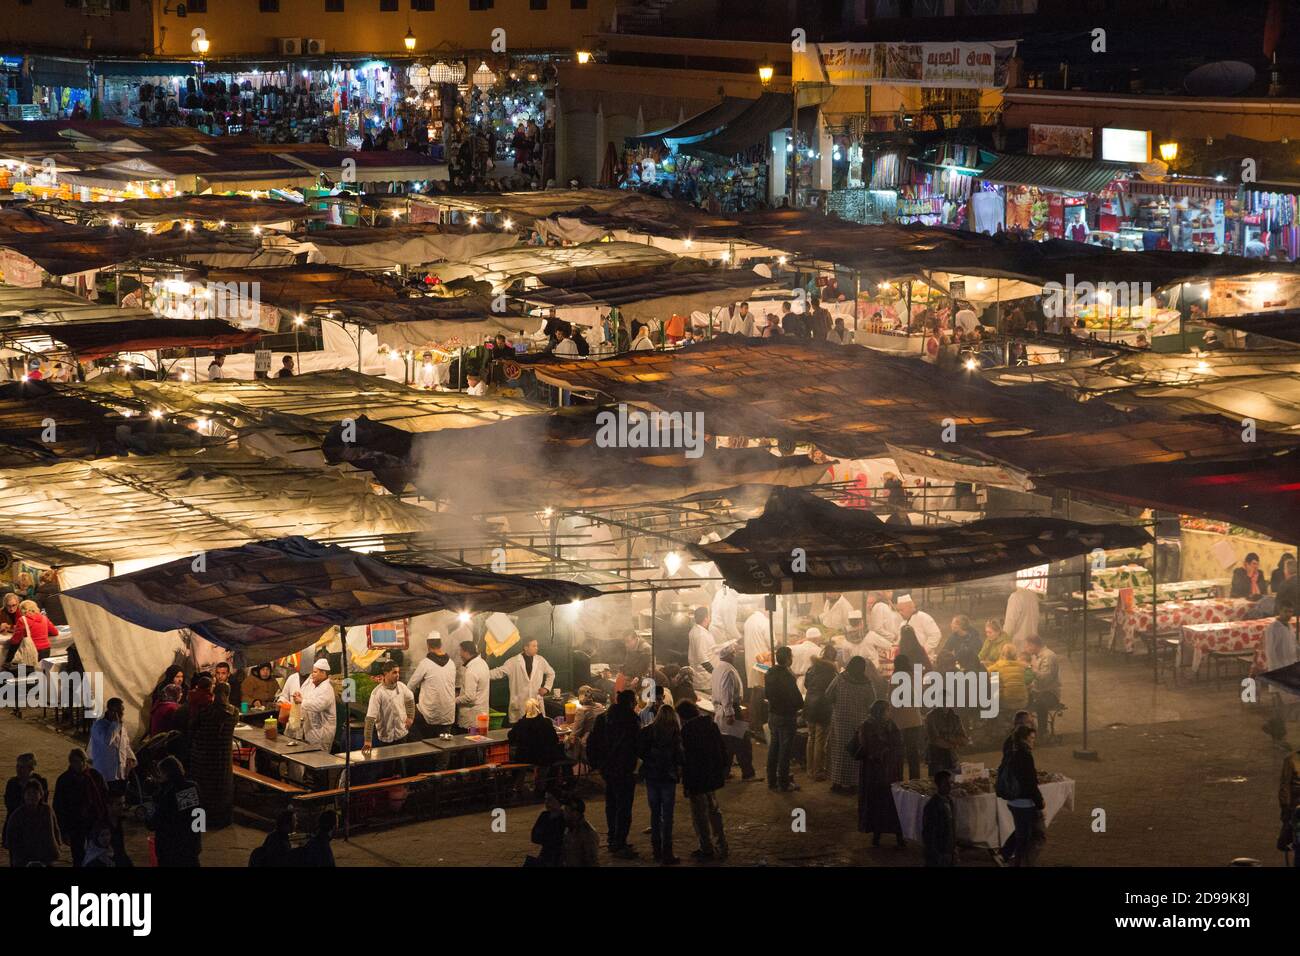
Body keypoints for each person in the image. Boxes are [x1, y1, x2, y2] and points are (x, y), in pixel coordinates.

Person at [585, 688, 641, 858]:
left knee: (611, 803)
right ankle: (620, 841)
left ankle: (612, 838)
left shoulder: (604, 718)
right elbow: (636, 746)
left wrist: (597, 764)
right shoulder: (631, 720)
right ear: (631, 702)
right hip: (624, 770)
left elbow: (591, 743)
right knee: (624, 807)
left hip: (607, 769)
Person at [677, 699, 728, 860]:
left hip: (697, 779)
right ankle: (722, 843)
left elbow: (687, 760)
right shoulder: (711, 725)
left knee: (699, 815)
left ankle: (706, 848)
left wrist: (686, 782)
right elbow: (722, 749)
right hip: (712, 776)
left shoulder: (687, 732)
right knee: (714, 810)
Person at [853, 699, 905, 846]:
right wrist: (884, 751)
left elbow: (898, 743)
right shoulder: (867, 726)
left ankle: (898, 836)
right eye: (887, 710)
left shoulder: (890, 724)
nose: (889, 713)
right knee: (876, 803)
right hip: (875, 773)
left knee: (893, 803)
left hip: (891, 771)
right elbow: (869, 747)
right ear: (880, 711)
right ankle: (876, 835)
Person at [188, 682, 240, 828]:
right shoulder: (234, 712)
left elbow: (192, 728)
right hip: (223, 756)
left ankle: (201, 822)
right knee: (222, 787)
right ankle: (221, 821)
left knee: (205, 788)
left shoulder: (205, 711)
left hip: (205, 755)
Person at [638, 703, 684, 864]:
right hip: (668, 777)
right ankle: (667, 851)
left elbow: (640, 751)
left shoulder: (648, 731)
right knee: (668, 815)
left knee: (655, 813)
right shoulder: (674, 732)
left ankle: (656, 850)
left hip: (652, 776)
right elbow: (679, 756)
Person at [826, 656, 879, 794]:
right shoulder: (867, 683)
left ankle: (836, 782)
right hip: (858, 722)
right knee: (855, 751)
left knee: (839, 751)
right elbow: (873, 703)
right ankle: (853, 784)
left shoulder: (840, 679)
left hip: (839, 721)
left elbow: (828, 695)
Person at [52, 748, 107, 867]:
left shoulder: (95, 776)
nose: (79, 765)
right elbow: (59, 806)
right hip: (75, 824)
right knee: (78, 856)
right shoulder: (64, 780)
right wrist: (64, 830)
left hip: (94, 821)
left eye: (81, 761)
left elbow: (104, 797)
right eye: (75, 762)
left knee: (96, 853)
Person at [710, 643, 755, 781]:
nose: (735, 655)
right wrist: (730, 713)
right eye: (734, 654)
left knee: (727, 744)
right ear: (729, 655)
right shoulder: (728, 671)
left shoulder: (718, 668)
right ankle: (748, 774)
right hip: (730, 710)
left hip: (721, 710)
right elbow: (726, 693)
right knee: (743, 743)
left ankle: (724, 773)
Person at [1002, 724, 1046, 866]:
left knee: (1022, 832)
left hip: (1013, 801)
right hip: (1024, 803)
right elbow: (1030, 784)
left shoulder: (1011, 753)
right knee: (1032, 836)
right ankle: (1019, 863)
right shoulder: (1025, 756)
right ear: (1024, 739)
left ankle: (1005, 855)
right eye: (1031, 738)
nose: (1034, 741)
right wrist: (1040, 803)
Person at [150, 756, 202, 867]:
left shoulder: (169, 794)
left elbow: (155, 822)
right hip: (190, 846)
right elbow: (193, 815)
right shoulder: (191, 787)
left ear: (166, 773)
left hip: (171, 849)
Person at [764, 645, 804, 792]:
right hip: (786, 717)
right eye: (791, 657)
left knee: (773, 749)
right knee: (785, 752)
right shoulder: (787, 676)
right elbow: (797, 699)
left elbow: (767, 694)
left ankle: (772, 781)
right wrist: (799, 706)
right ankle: (784, 783)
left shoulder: (769, 672)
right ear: (788, 659)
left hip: (773, 715)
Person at [490, 638, 556, 724]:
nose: (537, 648)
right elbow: (499, 672)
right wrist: (483, 673)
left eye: (537, 646)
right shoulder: (513, 661)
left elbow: (551, 673)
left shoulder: (540, 660)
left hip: (535, 701)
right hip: (519, 704)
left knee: (537, 729)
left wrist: (546, 688)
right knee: (520, 730)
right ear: (525, 647)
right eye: (534, 646)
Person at [407, 636, 457, 738]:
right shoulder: (451, 663)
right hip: (448, 714)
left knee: (408, 719)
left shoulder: (425, 663)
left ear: (428, 645)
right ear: (441, 644)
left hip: (429, 714)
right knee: (444, 745)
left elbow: (410, 686)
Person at [3, 778, 59, 867]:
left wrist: (56, 847)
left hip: (46, 858)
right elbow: (11, 839)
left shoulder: (47, 810)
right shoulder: (17, 815)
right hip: (24, 860)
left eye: (35, 793)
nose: (32, 796)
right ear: (24, 795)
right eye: (28, 793)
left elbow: (55, 829)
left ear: (40, 795)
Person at [803, 644, 838, 782]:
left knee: (811, 737)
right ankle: (818, 771)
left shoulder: (812, 668)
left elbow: (806, 684)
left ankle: (809, 769)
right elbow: (833, 690)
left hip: (809, 704)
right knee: (820, 739)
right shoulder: (831, 671)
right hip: (822, 706)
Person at [363, 658, 415, 750]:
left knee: (401, 763)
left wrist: (410, 717)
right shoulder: (377, 693)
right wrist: (368, 741)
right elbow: (370, 718)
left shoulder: (402, 687)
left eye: (398, 672)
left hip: (402, 734)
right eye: (394, 672)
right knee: (387, 764)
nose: (397, 675)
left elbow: (410, 699)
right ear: (386, 674)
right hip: (385, 738)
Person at [889, 654, 925, 781]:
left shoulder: (896, 677)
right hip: (915, 718)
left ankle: (898, 778)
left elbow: (893, 700)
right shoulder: (915, 675)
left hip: (900, 719)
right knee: (913, 751)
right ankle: (915, 778)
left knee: (898, 751)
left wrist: (889, 717)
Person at [89, 697, 136, 795]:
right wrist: (115, 723)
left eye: (122, 711)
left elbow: (125, 745)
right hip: (106, 774)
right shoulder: (99, 726)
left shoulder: (120, 726)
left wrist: (131, 758)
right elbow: (107, 741)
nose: (122, 714)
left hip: (120, 773)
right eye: (120, 711)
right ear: (111, 712)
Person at [294, 659, 337, 753]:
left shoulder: (327, 688)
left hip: (322, 735)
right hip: (312, 733)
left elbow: (318, 705)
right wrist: (301, 697)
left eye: (315, 672)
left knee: (320, 761)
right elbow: (310, 700)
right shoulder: (317, 686)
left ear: (323, 673)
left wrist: (301, 701)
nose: (312, 674)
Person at [1024, 634, 1061, 734]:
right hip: (1038, 690)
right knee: (1020, 699)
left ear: (1034, 645)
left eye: (1027, 645)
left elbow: (1045, 678)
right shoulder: (1036, 656)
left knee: (1040, 703)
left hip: (1050, 693)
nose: (1026, 648)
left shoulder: (1048, 656)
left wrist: (1029, 668)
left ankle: (1042, 731)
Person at [922, 769, 958, 866]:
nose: (950, 786)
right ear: (938, 785)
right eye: (946, 783)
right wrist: (935, 855)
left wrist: (953, 848)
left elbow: (951, 827)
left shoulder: (950, 801)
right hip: (938, 854)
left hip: (948, 852)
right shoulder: (932, 806)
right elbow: (929, 833)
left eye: (950, 783)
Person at [455, 640, 491, 732]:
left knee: (469, 742)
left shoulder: (471, 670)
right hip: (482, 716)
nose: (460, 655)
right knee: (480, 742)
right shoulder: (483, 663)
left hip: (471, 720)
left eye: (461, 651)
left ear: (466, 652)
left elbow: (470, 697)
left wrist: (454, 700)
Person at [986, 644, 1031, 716]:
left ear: (1002, 654)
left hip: (1005, 702)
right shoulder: (1022, 666)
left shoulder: (998, 666)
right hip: (1022, 702)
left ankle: (992, 720)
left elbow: (985, 672)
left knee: (993, 683)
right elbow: (1030, 675)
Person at [526, 789, 567, 866]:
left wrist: (545, 836)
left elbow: (560, 840)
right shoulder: (544, 815)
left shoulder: (565, 818)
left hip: (561, 857)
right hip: (545, 854)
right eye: (546, 799)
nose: (546, 802)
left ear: (559, 801)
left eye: (550, 799)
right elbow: (534, 837)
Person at [925, 706, 967, 778]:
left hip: (952, 760)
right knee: (937, 785)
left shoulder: (955, 717)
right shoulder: (931, 716)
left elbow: (964, 740)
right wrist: (954, 743)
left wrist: (946, 736)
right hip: (936, 760)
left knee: (953, 785)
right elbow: (935, 740)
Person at [897, 595, 942, 659]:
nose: (900, 613)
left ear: (910, 607)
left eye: (901, 610)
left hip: (922, 659)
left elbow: (936, 635)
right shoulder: (902, 624)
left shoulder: (923, 617)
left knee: (918, 669)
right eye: (898, 610)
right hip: (907, 660)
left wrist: (923, 651)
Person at [561, 796, 600, 867]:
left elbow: (592, 861)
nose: (564, 813)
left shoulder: (587, 833)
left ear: (575, 813)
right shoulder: (569, 827)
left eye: (566, 810)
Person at [687, 606, 717, 692]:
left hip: (703, 677)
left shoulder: (696, 629)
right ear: (706, 618)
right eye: (709, 616)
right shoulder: (701, 635)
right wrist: (715, 673)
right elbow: (703, 659)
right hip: (704, 680)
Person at [1004, 587, 1041, 651]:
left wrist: (1004, 639)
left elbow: (1010, 621)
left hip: (1019, 640)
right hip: (1033, 638)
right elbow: (1037, 617)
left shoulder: (1015, 597)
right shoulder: (1033, 595)